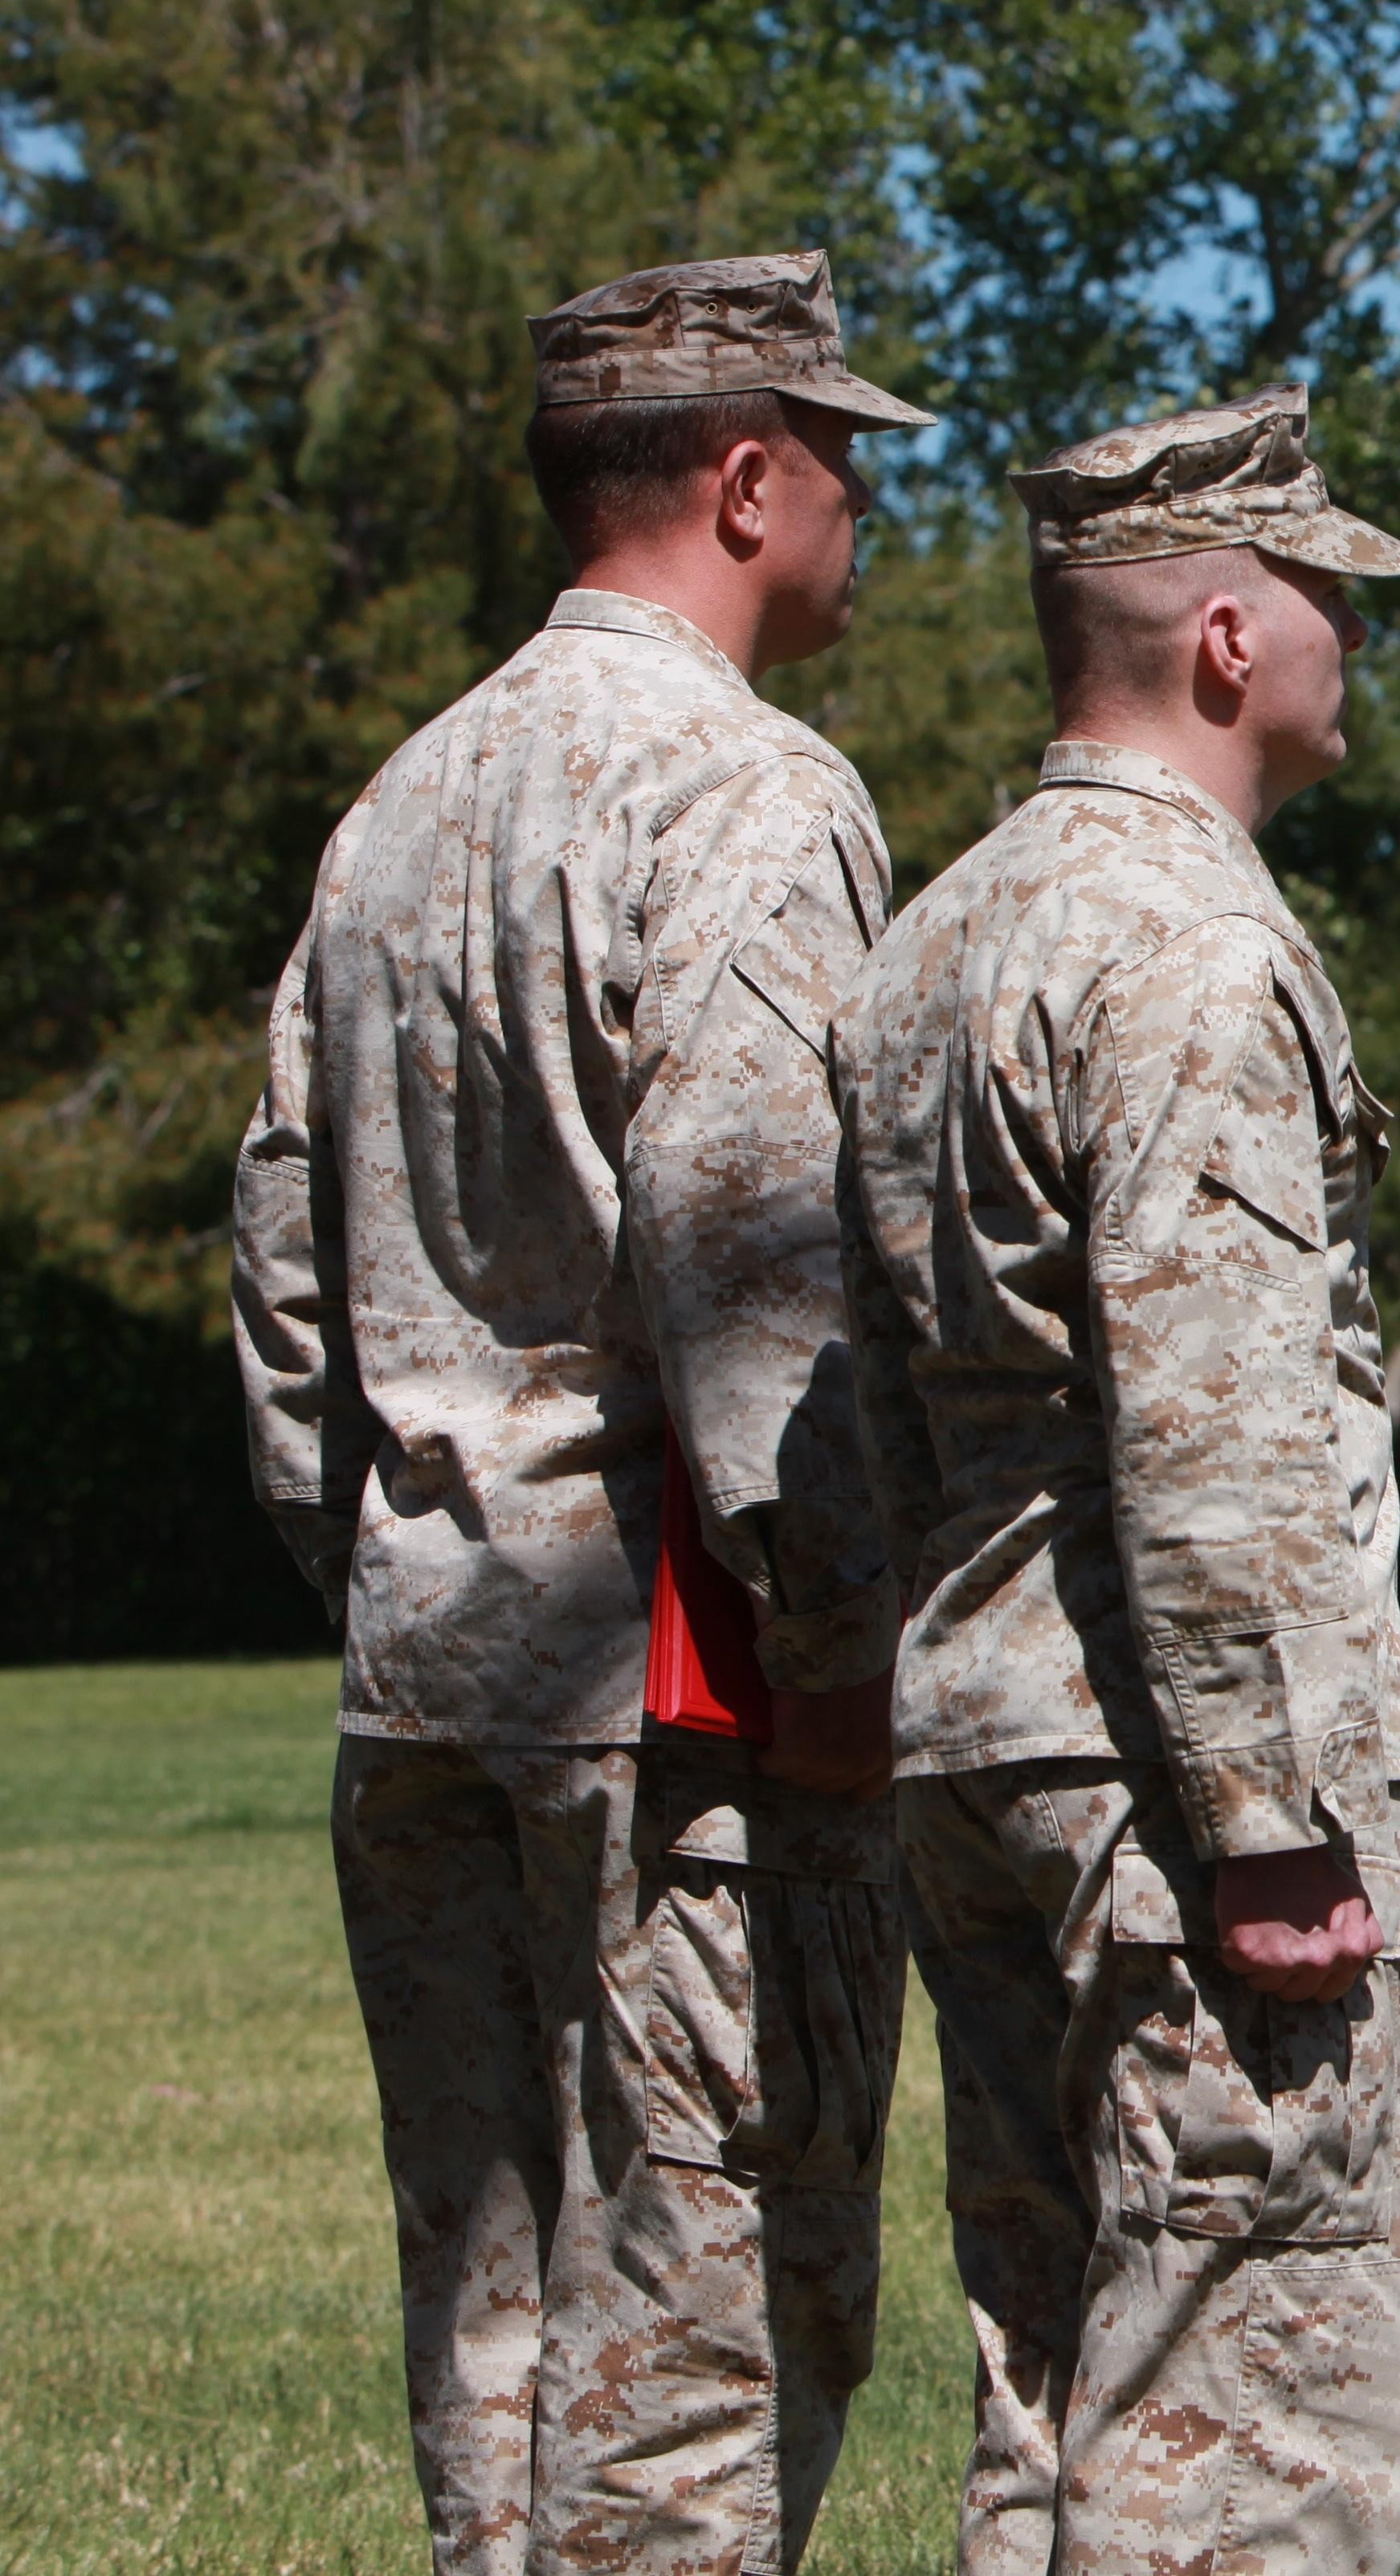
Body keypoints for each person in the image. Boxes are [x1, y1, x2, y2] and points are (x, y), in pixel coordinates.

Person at [229, 251, 936, 2572]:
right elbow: (765, 1287)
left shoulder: (398, 803)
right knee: (706, 2336)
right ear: (744, 483)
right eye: (843, 464)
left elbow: (281, 1273)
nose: (864, 513)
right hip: (675, 1700)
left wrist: (373, 1543)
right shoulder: (746, 793)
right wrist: (834, 1641)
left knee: (494, 2324)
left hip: (423, 1669)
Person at [837, 385, 1400, 2573]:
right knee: (1244, 2432)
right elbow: (1217, 1422)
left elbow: (881, 1395)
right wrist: (1267, 1811)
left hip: (981, 1734)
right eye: (1324, 603)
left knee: (1055, 2387)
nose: (1348, 648)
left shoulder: (937, 933)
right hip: (1166, 1800)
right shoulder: (1181, 942)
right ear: (1219, 638)